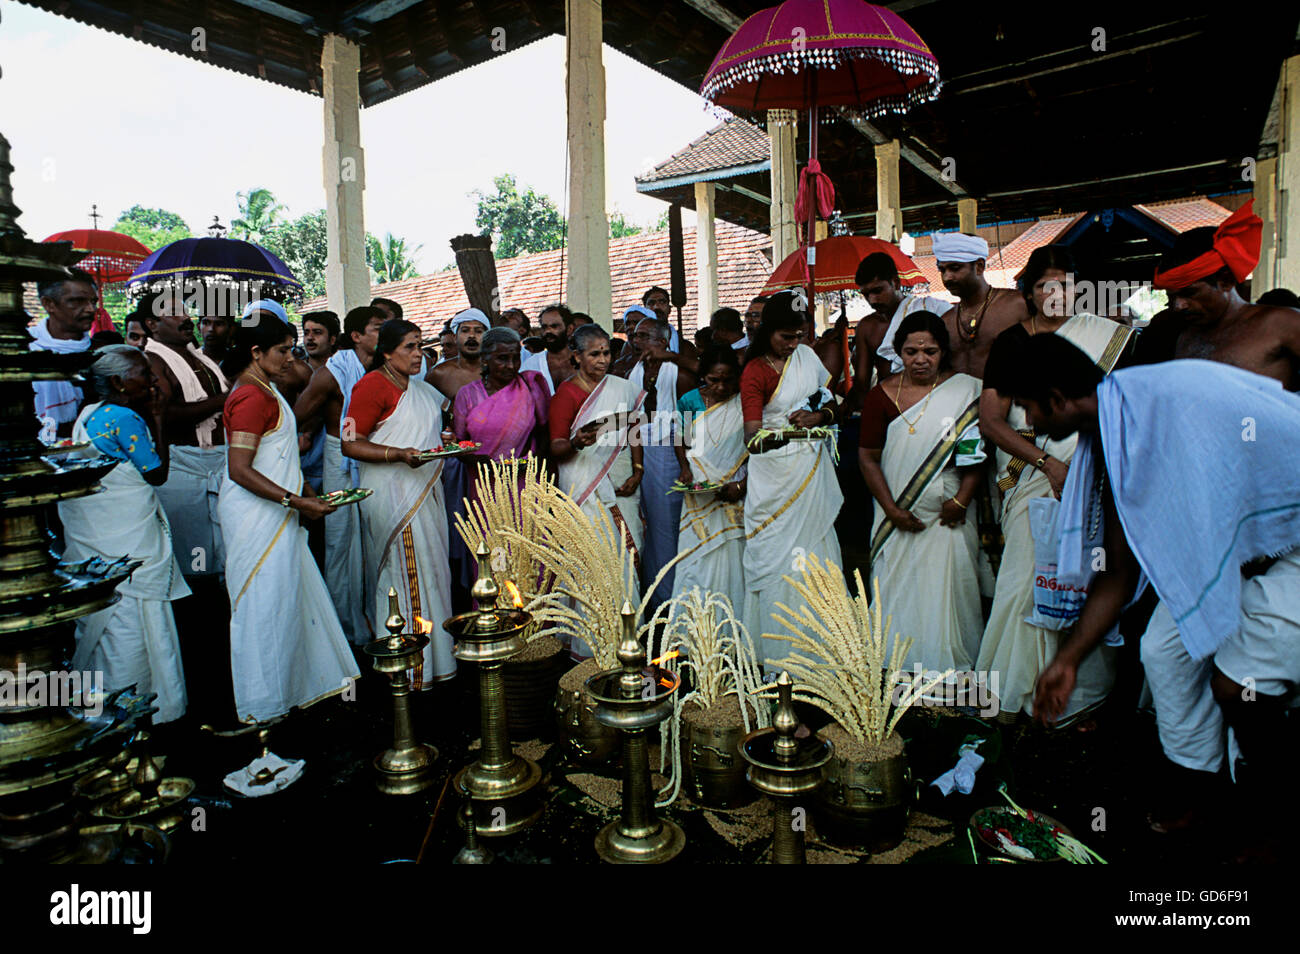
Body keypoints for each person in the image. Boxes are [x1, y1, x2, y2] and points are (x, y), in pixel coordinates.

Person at [1003, 337, 1300, 859]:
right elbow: (1119, 570)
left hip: (1287, 538)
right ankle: (1203, 793)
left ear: (1056, 398)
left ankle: (1275, 817)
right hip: (1238, 554)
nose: (1027, 421)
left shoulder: (1157, 407)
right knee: (1163, 652)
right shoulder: (1115, 427)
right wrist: (1067, 661)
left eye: (1027, 407)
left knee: (1238, 687)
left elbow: (1227, 490)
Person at [975, 246, 1136, 725]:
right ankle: (1014, 689)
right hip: (1033, 475)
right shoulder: (1011, 343)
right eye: (1047, 284)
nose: (1058, 293)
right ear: (1030, 291)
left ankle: (1076, 690)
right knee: (1026, 576)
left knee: (1083, 576)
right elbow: (991, 420)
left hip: (1093, 475)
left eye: (1067, 283)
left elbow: (1118, 410)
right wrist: (1048, 464)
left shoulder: (1104, 336)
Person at [218, 304, 357, 724]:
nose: (290, 358)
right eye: (283, 350)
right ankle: (264, 707)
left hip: (277, 507)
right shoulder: (248, 395)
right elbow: (239, 470)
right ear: (257, 352)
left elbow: (278, 460)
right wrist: (298, 502)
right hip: (256, 516)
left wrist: (309, 491)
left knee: (285, 599)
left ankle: (293, 688)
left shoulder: (266, 387)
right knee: (264, 604)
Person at [59, 346, 190, 723]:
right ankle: (146, 708)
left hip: (99, 540)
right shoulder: (125, 417)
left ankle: (103, 706)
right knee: (135, 621)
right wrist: (159, 417)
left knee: (113, 622)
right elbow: (156, 474)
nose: (152, 380)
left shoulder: (88, 416)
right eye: (144, 372)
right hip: (128, 544)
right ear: (118, 382)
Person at [858, 311, 986, 675]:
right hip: (897, 519)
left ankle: (950, 676)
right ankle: (899, 672)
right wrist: (892, 510)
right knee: (899, 592)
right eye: (912, 351)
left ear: (943, 352)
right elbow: (868, 458)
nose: (920, 359)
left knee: (950, 593)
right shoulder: (880, 396)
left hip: (950, 517)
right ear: (899, 351)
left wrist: (962, 500)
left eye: (929, 351)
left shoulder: (963, 391)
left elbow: (973, 455)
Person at [345, 319, 456, 687]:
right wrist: (397, 453)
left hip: (425, 489)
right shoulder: (370, 386)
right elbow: (350, 442)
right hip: (392, 492)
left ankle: (438, 661)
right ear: (387, 352)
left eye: (420, 345)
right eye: (409, 347)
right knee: (405, 574)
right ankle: (409, 669)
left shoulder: (420, 390)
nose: (418, 354)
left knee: (433, 570)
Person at [740, 290, 843, 664]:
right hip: (774, 478)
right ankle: (778, 656)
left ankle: (823, 650)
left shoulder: (807, 357)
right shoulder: (755, 370)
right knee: (777, 563)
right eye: (785, 337)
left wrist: (819, 419)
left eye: (798, 336)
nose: (793, 344)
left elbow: (832, 401)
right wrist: (790, 434)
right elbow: (752, 438)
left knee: (815, 550)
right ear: (768, 331)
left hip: (811, 471)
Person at [293, 306, 385, 645]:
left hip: (374, 457)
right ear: (357, 335)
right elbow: (294, 418)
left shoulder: (383, 369)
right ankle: (343, 632)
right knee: (341, 542)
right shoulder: (333, 373)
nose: (384, 335)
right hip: (339, 460)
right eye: (377, 328)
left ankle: (377, 622)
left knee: (374, 538)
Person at [549, 323, 646, 615]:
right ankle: (594, 637)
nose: (603, 360)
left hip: (622, 482)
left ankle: (626, 629)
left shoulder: (622, 388)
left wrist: (638, 470)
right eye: (594, 354)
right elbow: (556, 447)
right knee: (595, 560)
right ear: (577, 356)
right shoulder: (566, 394)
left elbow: (634, 429)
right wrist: (577, 442)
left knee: (627, 558)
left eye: (606, 353)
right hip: (584, 486)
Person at [1150, 201, 1300, 390]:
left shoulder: (1282, 324)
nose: (1179, 305)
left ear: (1226, 281)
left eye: (1190, 292)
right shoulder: (1169, 331)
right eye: (1171, 297)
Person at [143, 290, 230, 577]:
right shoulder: (151, 361)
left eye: (185, 312)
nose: (186, 319)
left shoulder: (199, 357)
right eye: (173, 313)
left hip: (219, 462)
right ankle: (198, 610)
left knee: (226, 548)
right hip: (183, 466)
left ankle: (222, 607)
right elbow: (166, 416)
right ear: (152, 324)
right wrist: (221, 402)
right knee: (195, 554)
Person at [620, 315, 697, 608]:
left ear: (662, 343)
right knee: (646, 522)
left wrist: (686, 463)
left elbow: (686, 423)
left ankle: (672, 598)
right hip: (640, 452)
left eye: (643, 336)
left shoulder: (678, 373)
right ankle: (652, 592)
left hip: (670, 454)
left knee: (667, 524)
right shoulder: (633, 371)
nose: (635, 341)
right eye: (634, 336)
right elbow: (631, 419)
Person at [671, 347, 747, 612]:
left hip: (734, 483)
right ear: (703, 376)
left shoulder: (744, 402)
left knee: (732, 550)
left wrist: (742, 485)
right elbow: (681, 438)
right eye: (714, 380)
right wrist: (684, 469)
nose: (721, 387)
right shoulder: (690, 401)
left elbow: (753, 449)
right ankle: (696, 624)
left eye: (727, 380)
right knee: (697, 550)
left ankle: (733, 623)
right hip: (698, 482)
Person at [453, 326, 550, 511]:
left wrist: (531, 461)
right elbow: (459, 443)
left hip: (526, 482)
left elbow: (545, 433)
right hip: (484, 484)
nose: (511, 365)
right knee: (489, 535)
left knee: (529, 535)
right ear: (484, 359)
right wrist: (478, 462)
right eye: (502, 358)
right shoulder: (467, 395)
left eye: (516, 358)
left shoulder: (531, 386)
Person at [427, 308, 489, 591]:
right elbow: (428, 418)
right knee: (456, 526)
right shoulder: (439, 374)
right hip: (454, 463)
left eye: (478, 330)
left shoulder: (498, 371)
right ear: (455, 335)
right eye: (466, 330)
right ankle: (461, 591)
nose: (472, 336)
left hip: (492, 460)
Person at [928, 232, 1027, 378]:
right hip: (960, 399)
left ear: (979, 266)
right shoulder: (945, 321)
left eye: (955, 268)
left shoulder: (1017, 305)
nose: (947, 277)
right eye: (942, 270)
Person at [855, 252, 953, 386]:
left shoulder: (933, 309)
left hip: (933, 397)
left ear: (895, 283)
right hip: (889, 401)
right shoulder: (866, 327)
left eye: (877, 291)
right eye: (866, 294)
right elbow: (861, 383)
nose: (872, 300)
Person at [31, 267, 97, 439]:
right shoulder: (23, 353)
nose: (90, 309)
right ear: (49, 304)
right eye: (77, 301)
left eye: (93, 301)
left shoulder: (99, 352)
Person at [520, 303, 577, 395]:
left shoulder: (583, 363)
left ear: (569, 329)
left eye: (554, 326)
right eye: (544, 327)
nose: (548, 331)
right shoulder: (531, 365)